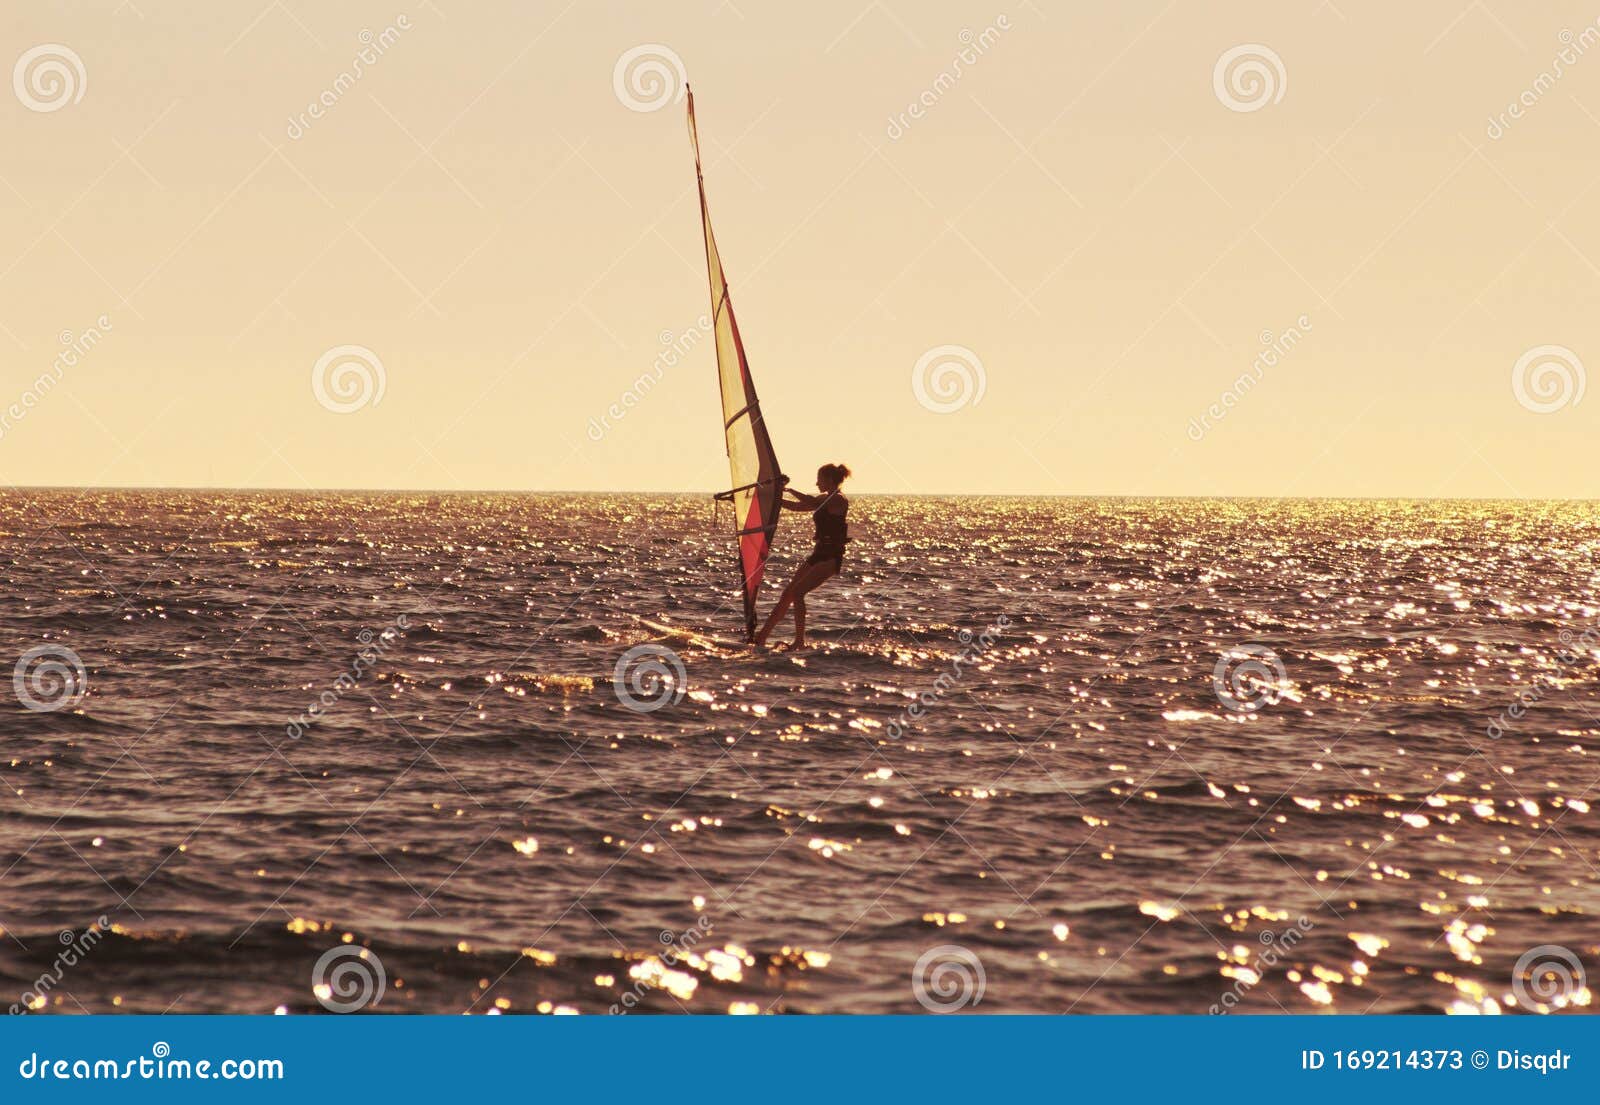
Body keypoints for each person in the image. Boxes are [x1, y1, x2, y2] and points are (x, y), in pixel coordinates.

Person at [754, 463, 851, 649]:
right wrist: (773, 496)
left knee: (798, 593)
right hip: (818, 553)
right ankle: (762, 637)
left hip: (831, 557)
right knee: (788, 594)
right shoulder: (825, 498)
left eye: (819, 479)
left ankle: (799, 641)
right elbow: (796, 507)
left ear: (829, 479)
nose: (816, 483)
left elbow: (813, 502)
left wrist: (789, 489)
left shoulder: (838, 500)